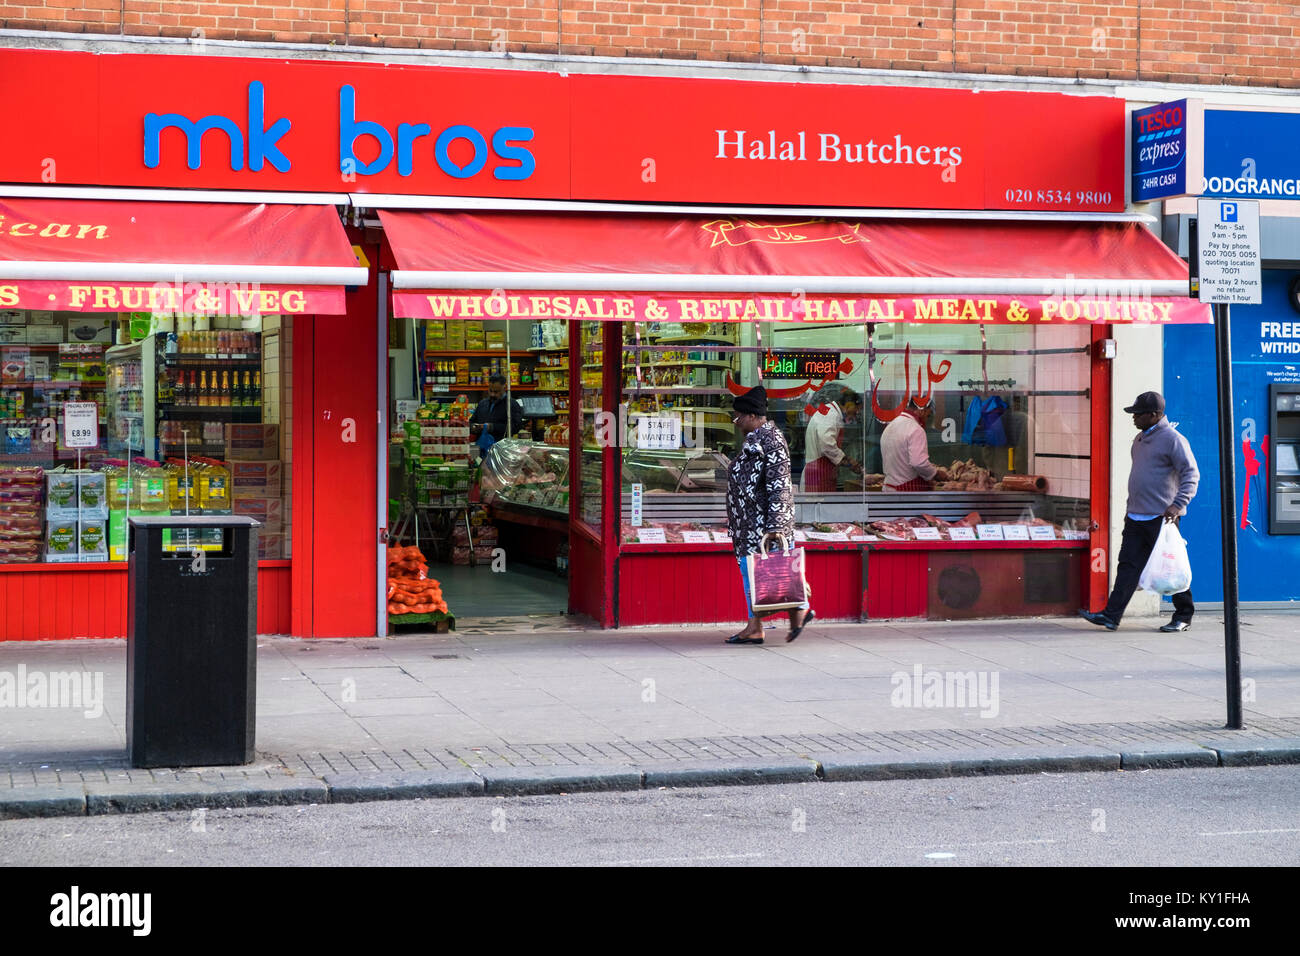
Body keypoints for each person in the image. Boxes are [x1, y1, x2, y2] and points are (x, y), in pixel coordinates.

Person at [1081, 391, 1199, 632]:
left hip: (1162, 517)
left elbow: (1191, 474)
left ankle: (1183, 616)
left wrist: (1178, 505)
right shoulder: (1140, 439)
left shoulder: (1173, 439)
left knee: (1170, 567)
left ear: (1154, 415)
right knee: (1128, 565)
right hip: (1136, 515)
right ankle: (1111, 616)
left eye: (1138, 414)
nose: (1133, 418)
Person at [724, 386, 813, 645]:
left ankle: (768, 622)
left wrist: (775, 526)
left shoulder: (771, 440)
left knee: (758, 574)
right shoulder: (757, 438)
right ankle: (792, 614)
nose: (736, 422)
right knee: (759, 574)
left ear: (752, 416)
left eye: (738, 417)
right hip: (749, 523)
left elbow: (779, 486)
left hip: (762, 525)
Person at [801, 388, 865, 492]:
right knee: (818, 506)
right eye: (857, 409)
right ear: (848, 405)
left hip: (823, 473)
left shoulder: (831, 413)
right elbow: (827, 445)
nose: (857, 413)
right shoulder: (830, 415)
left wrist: (847, 461)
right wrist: (848, 462)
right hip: (818, 474)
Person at [880, 399, 950, 491]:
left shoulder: (891, 425)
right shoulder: (916, 429)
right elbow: (919, 463)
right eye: (928, 415)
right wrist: (936, 474)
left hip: (888, 488)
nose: (926, 419)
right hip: (905, 492)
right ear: (921, 410)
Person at [469, 375, 525, 448]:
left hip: (502, 448)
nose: (492, 394)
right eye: (490, 391)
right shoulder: (483, 404)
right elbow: (472, 421)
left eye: (496, 392)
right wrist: (474, 427)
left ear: (504, 388)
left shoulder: (511, 404)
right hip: (482, 447)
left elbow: (516, 427)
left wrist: (492, 427)